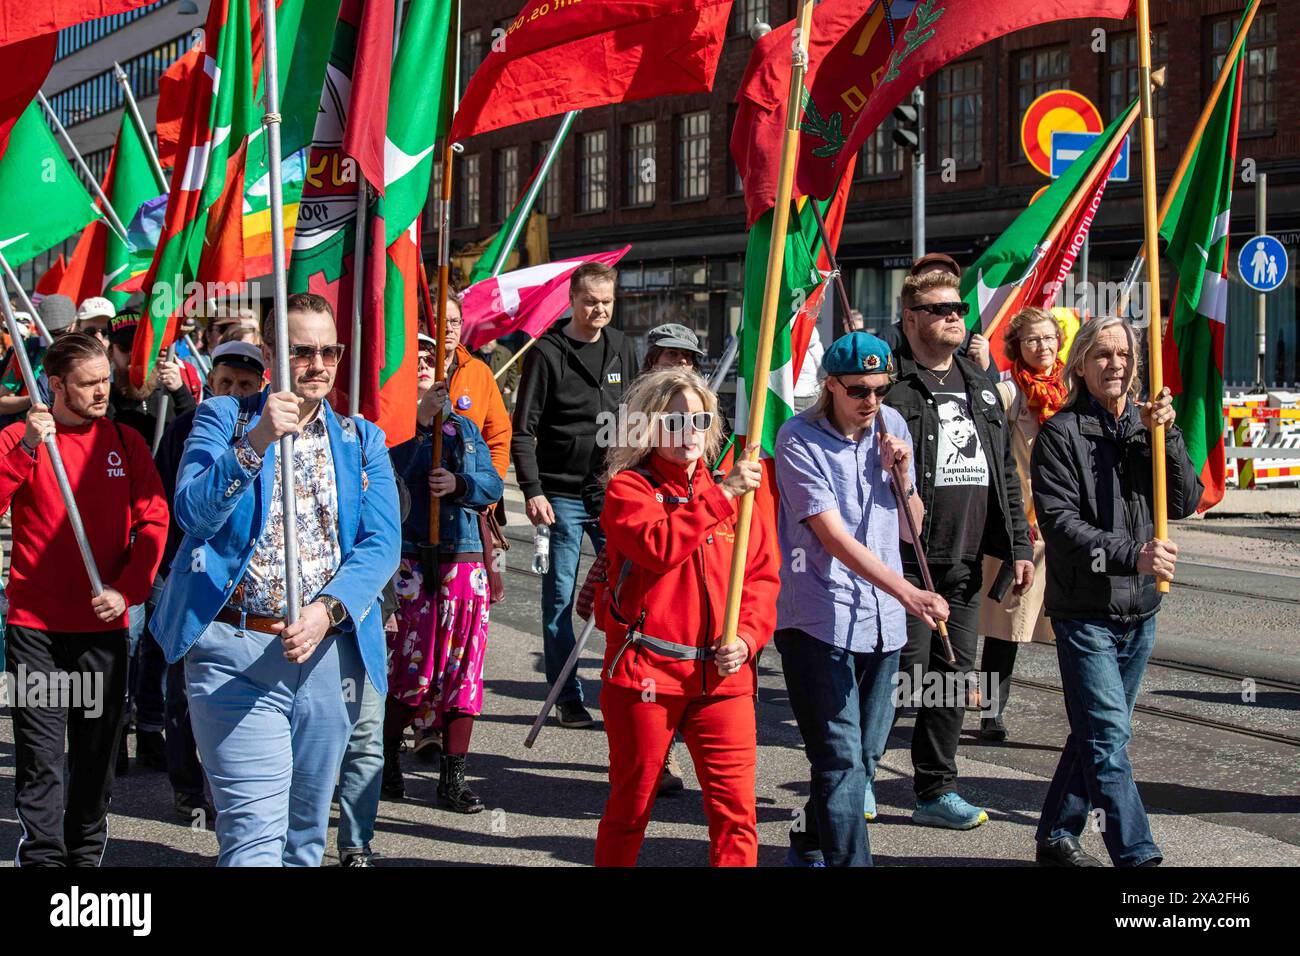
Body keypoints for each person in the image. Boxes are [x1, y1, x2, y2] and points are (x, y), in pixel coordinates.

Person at [149, 292, 401, 867]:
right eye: (302, 351)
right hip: (234, 650)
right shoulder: (225, 417)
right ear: (270, 353)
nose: (318, 365)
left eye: (328, 350)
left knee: (304, 840)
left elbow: (382, 543)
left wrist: (328, 610)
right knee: (253, 836)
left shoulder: (363, 439)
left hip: (326, 657)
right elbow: (193, 514)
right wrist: (257, 441)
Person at [1031, 315, 1201, 868]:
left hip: (1141, 608)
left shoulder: (1145, 426)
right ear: (1079, 363)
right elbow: (1060, 526)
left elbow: (1182, 501)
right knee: (1108, 737)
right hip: (1086, 611)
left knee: (1095, 732)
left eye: (1125, 354)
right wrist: (1134, 555)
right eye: (1102, 354)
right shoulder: (1060, 434)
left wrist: (1167, 436)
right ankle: (1138, 857)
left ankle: (1056, 835)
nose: (1116, 364)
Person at [775, 333, 950, 866]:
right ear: (831, 386)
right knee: (841, 759)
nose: (871, 401)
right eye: (858, 390)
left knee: (862, 759)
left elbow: (911, 530)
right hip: (818, 616)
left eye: (880, 388)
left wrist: (903, 476)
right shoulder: (798, 438)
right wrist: (910, 592)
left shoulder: (893, 426)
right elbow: (832, 537)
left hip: (883, 623)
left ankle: (808, 840)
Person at [593, 367, 777, 866]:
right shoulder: (628, 489)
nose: (687, 432)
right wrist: (722, 496)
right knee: (632, 807)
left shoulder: (739, 494)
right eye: (672, 422)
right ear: (647, 428)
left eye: (698, 420)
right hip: (645, 677)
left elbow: (761, 578)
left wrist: (748, 636)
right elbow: (659, 546)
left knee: (736, 814)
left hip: (722, 678)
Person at [0, 332, 168, 865]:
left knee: (96, 755)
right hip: (35, 629)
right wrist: (27, 447)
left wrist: (129, 590)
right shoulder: (18, 440)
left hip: (104, 629)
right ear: (54, 385)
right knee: (41, 756)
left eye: (105, 380)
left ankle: (85, 856)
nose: (103, 391)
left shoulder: (125, 442)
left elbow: (154, 519)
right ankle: (44, 860)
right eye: (89, 383)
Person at [882, 268, 1033, 829]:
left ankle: (936, 791)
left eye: (959, 307)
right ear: (911, 318)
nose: (954, 315)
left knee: (952, 674)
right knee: (899, 674)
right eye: (941, 307)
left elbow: (1005, 472)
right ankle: (860, 775)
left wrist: (1018, 543)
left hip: (966, 559)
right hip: (903, 559)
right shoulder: (892, 384)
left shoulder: (980, 382)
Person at [511, 261, 638, 729]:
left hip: (611, 492)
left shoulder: (623, 347)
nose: (599, 309)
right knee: (560, 600)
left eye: (607, 301)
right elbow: (523, 430)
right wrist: (532, 490)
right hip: (559, 496)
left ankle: (624, 685)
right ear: (572, 300)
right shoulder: (547, 352)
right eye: (591, 301)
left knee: (628, 591)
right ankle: (566, 697)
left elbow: (634, 417)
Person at [383, 332, 503, 815]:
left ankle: (453, 779)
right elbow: (383, 479)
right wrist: (416, 424)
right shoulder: (388, 429)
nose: (427, 367)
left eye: (433, 359)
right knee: (411, 670)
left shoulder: (466, 430)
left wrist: (461, 483)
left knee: (463, 673)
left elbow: (491, 482)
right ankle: (388, 763)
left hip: (466, 563)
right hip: (412, 561)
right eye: (418, 358)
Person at [152, 340, 267, 822]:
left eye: (245, 385)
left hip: (247, 587)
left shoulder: (274, 433)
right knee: (180, 690)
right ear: (209, 384)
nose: (234, 392)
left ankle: (234, 789)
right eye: (225, 384)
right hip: (191, 576)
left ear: (262, 387)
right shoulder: (186, 430)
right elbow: (165, 503)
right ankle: (186, 786)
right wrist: (161, 571)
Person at [104, 312, 198, 774]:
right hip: (112, 543)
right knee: (125, 639)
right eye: (128, 353)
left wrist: (177, 390)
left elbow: (197, 437)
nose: (135, 364)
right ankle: (114, 730)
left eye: (146, 353)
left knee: (160, 642)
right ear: (113, 354)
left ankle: (151, 728)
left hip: (161, 541)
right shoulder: (102, 402)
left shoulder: (168, 397)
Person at [977, 307, 1067, 742]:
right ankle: (991, 714)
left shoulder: (1071, 389)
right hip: (1022, 529)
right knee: (1005, 627)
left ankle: (1085, 716)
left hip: (1065, 528)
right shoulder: (1008, 392)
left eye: (1049, 338)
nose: (1043, 347)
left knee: (1071, 627)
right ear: (1017, 346)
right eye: (1032, 340)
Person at [876, 254, 995, 377]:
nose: (954, 316)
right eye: (941, 308)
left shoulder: (971, 340)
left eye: (961, 309)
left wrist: (984, 368)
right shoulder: (891, 337)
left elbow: (993, 392)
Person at [0, 293, 78, 425]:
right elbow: (2, 402)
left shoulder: (83, 350)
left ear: (73, 325)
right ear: (39, 326)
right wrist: (34, 400)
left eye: (62, 333)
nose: (54, 339)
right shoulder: (27, 350)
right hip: (35, 431)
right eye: (50, 332)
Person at [640, 322, 705, 373]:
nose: (683, 360)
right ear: (652, 360)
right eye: (672, 353)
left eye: (687, 355)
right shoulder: (640, 389)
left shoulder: (699, 389)